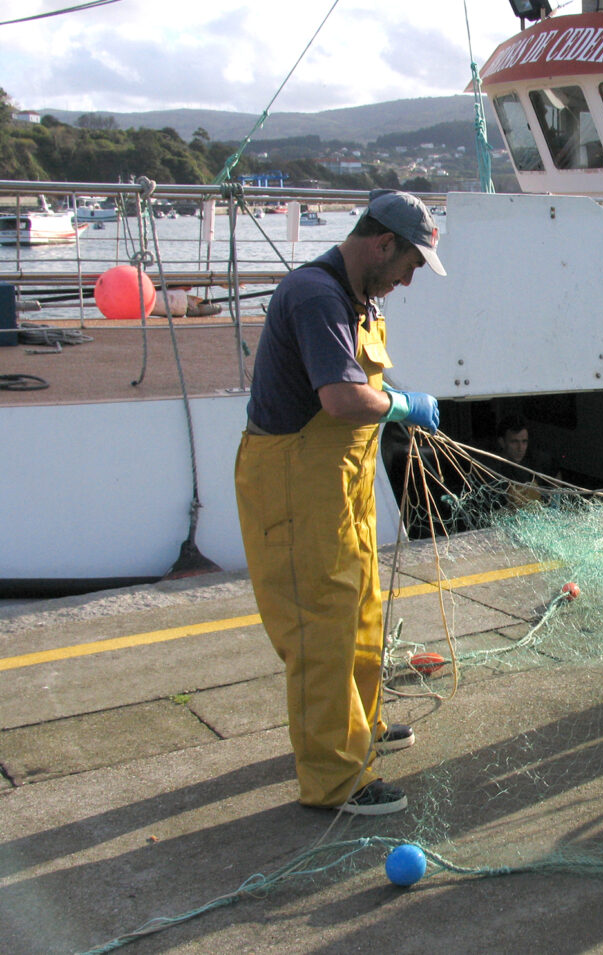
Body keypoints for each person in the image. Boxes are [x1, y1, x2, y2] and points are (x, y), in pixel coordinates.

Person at [234, 189, 446, 815]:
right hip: (294, 482)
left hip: (340, 480)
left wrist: (397, 399)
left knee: (360, 608)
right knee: (320, 627)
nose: (407, 282)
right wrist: (404, 406)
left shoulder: (358, 297)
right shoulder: (316, 295)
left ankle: (362, 729)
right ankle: (334, 779)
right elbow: (340, 399)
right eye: (409, 266)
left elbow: (359, 384)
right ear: (383, 244)